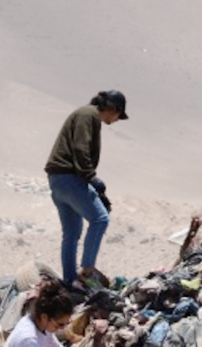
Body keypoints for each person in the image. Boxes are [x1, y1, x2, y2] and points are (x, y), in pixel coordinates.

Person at [44, 89, 129, 290]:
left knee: (72, 232)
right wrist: (91, 178)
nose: (117, 120)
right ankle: (86, 274)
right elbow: (80, 148)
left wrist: (94, 186)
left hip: (57, 180)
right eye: (118, 115)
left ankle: (70, 282)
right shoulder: (88, 114)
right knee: (100, 219)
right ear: (113, 109)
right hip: (69, 177)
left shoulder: (88, 115)